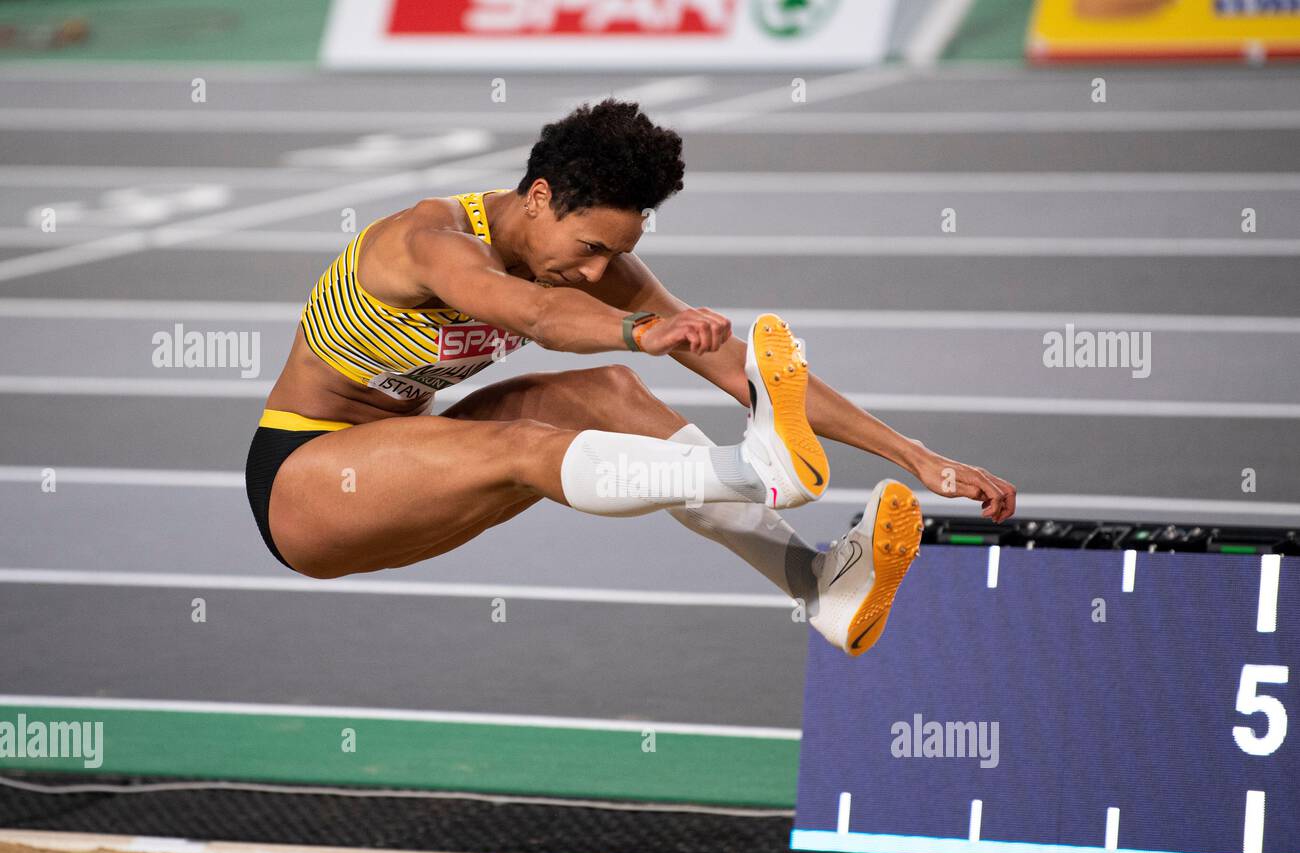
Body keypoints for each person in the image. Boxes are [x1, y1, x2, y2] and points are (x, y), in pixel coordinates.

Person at [245, 99, 1015, 656]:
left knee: (609, 393)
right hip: (305, 485)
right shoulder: (428, 242)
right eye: (587, 249)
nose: (594, 270)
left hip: (409, 464)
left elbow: (742, 366)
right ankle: (750, 470)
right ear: (539, 196)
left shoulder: (584, 251)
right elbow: (536, 315)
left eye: (611, 256)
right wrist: (642, 327)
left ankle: (817, 586)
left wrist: (915, 455)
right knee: (525, 443)